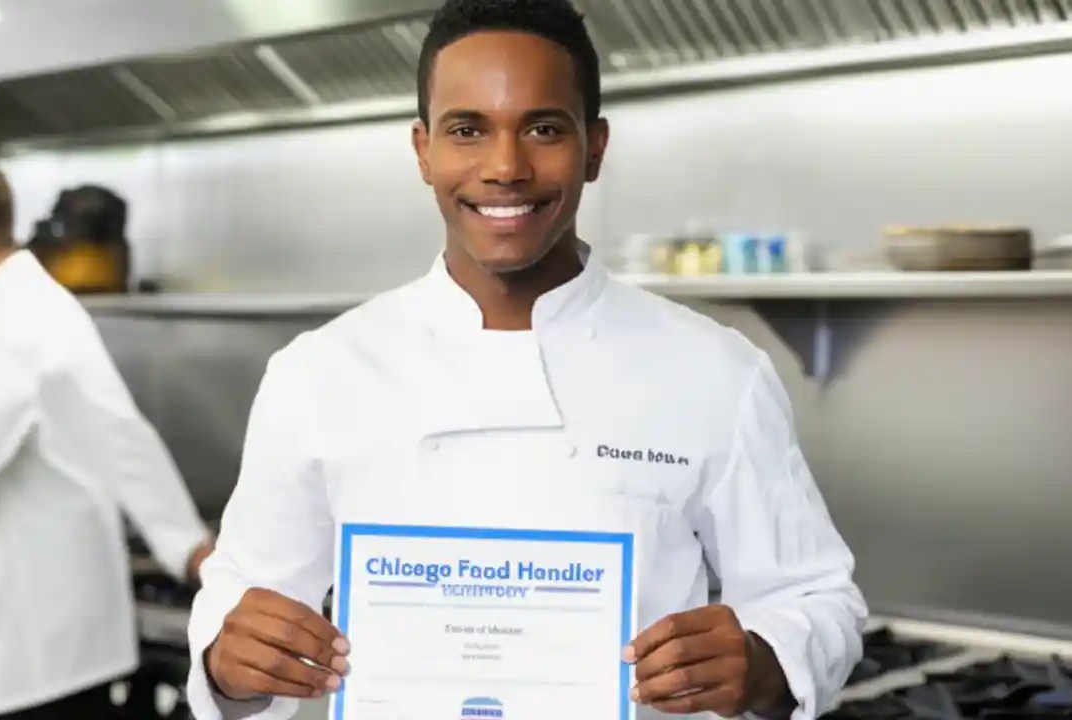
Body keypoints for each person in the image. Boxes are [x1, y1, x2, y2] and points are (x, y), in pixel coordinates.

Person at [186, 1, 867, 718]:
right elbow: (239, 598)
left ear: (595, 148)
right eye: (467, 130)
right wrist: (228, 661)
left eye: (543, 129)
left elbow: (818, 598)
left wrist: (764, 662)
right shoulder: (318, 373)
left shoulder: (716, 371)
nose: (506, 167)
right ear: (422, 151)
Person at [0, 156, 215, 719]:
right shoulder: (37, 303)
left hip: (39, 641)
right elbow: (123, 433)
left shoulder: (10, 320)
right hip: (61, 634)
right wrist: (187, 546)